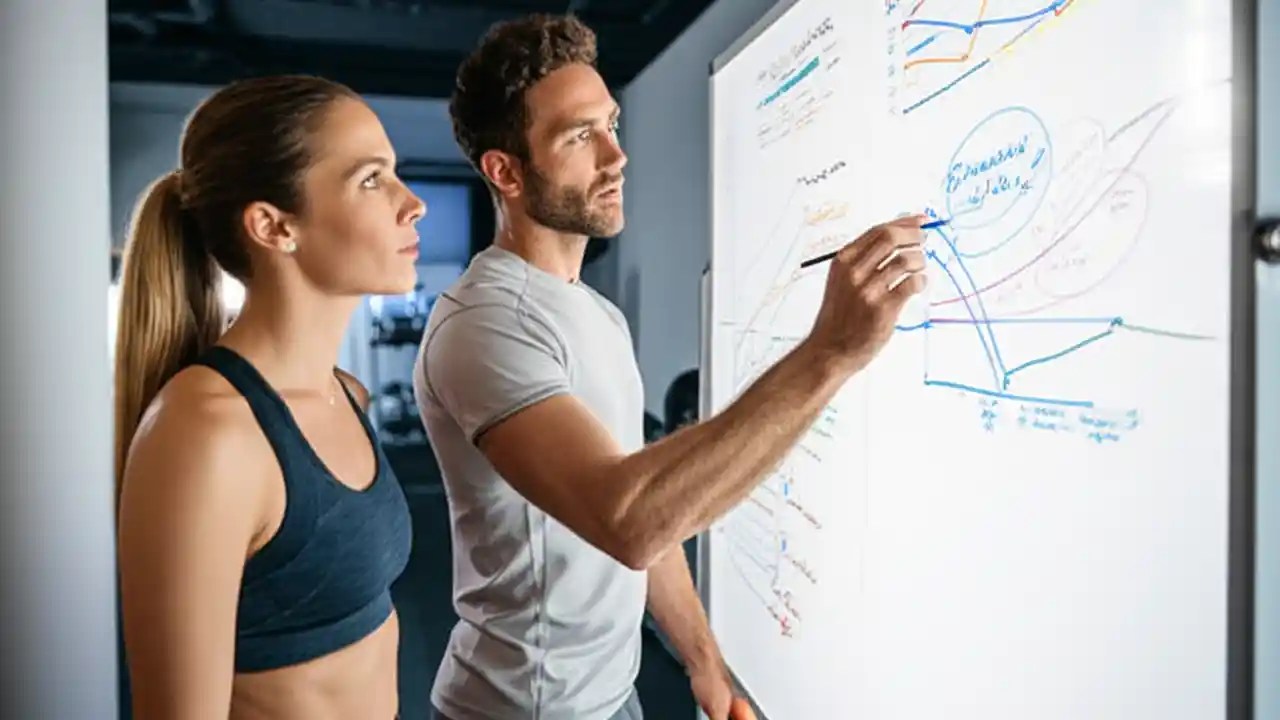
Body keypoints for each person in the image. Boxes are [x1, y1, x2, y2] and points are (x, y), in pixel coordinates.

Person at [413, 13, 927, 720]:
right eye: (578, 136)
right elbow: (629, 519)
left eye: (611, 126)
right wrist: (830, 353)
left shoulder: (595, 314)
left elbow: (652, 501)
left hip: (611, 697)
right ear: (505, 171)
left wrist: (705, 663)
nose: (616, 157)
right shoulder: (484, 325)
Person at [113, 74, 425, 720]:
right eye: (371, 180)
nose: (412, 202)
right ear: (273, 226)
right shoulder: (208, 435)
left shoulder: (346, 393)